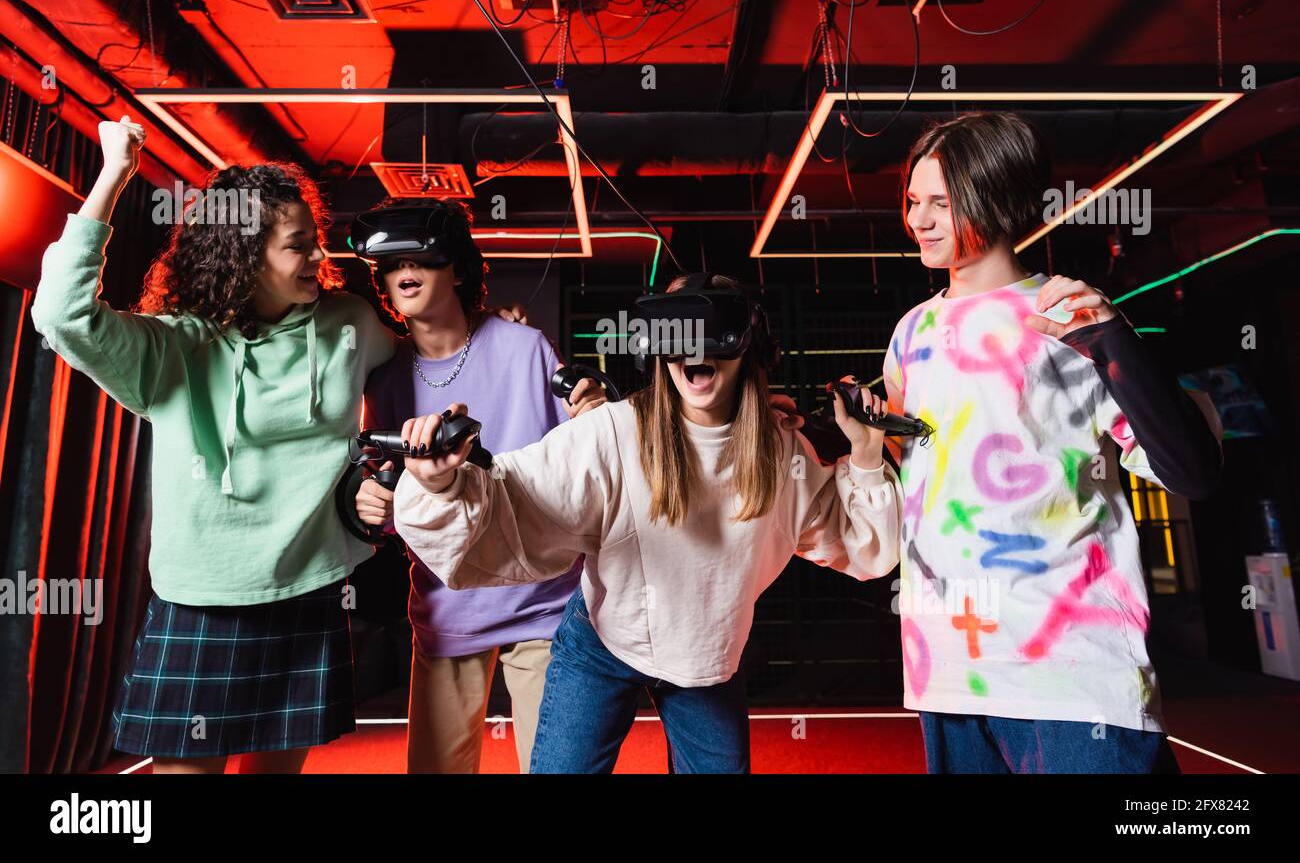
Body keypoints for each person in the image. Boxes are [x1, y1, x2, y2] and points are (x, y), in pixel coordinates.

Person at [390, 273, 904, 773]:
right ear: (657, 346)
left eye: (714, 331)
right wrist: (440, 484)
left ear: (748, 347)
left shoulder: (781, 452)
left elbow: (859, 545)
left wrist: (865, 450)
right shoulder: (612, 433)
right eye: (677, 331)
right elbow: (514, 494)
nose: (694, 349)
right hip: (602, 639)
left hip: (706, 649)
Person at [31, 118, 397, 773]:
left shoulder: (350, 324)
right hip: (201, 598)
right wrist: (115, 170)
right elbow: (60, 315)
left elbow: (418, 374)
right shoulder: (174, 348)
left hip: (308, 590)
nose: (319, 258)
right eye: (297, 247)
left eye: (317, 242)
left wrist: (378, 473)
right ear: (246, 255)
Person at [884, 111, 1222, 773]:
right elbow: (917, 485)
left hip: (1073, 673)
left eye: (940, 203)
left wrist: (1114, 342)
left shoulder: (1070, 315)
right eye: (912, 201)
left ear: (999, 200)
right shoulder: (909, 334)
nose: (919, 220)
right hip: (948, 671)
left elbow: (1193, 472)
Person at [350, 197, 604, 773]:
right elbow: (394, 497)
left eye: (421, 258)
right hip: (448, 604)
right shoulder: (385, 376)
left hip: (543, 599)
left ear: (459, 269)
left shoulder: (527, 347)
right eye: (390, 265)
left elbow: (580, 459)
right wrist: (375, 505)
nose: (403, 272)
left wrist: (596, 412)